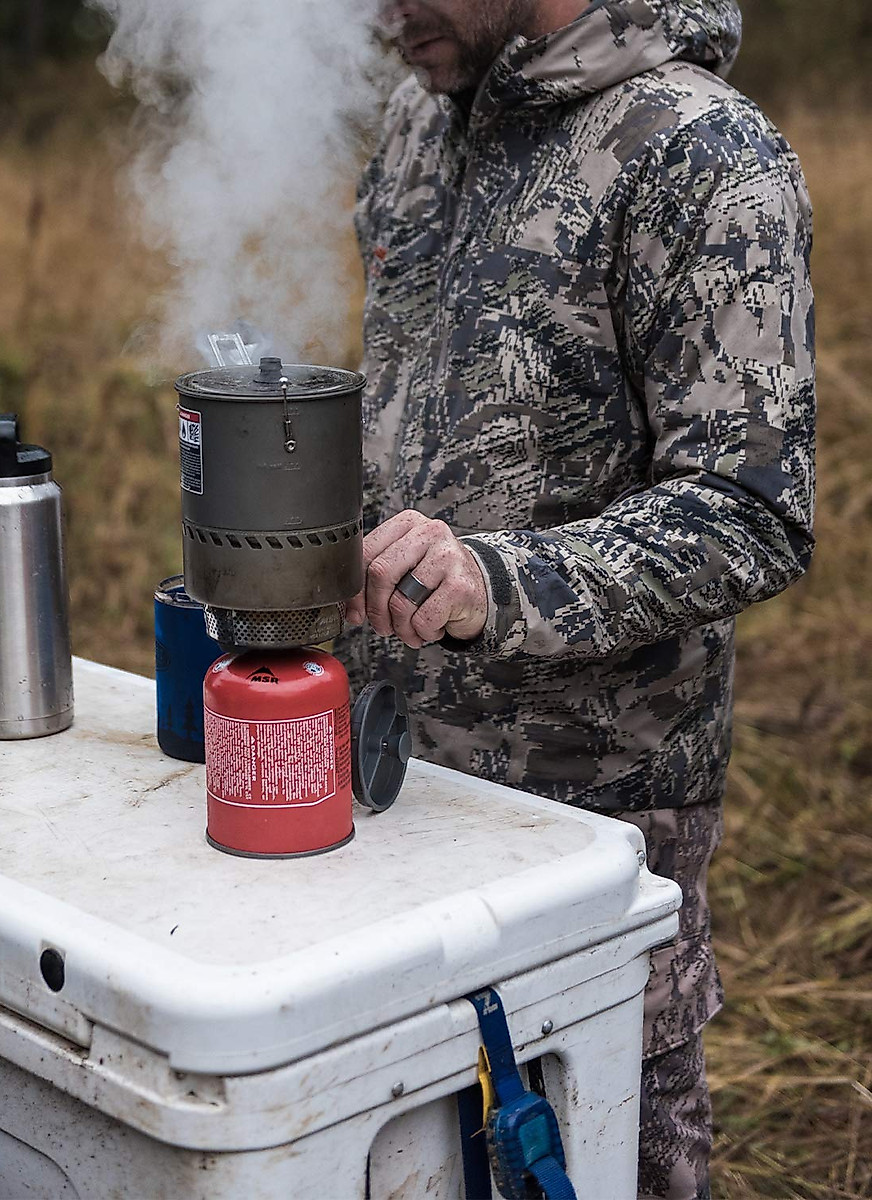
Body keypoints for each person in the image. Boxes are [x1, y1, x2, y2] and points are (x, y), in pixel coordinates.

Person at [338, 1, 816, 1196]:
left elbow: (750, 507)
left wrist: (494, 580)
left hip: (594, 816)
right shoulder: (417, 119)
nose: (378, 14)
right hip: (393, 779)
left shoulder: (700, 151)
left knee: (601, 1156)